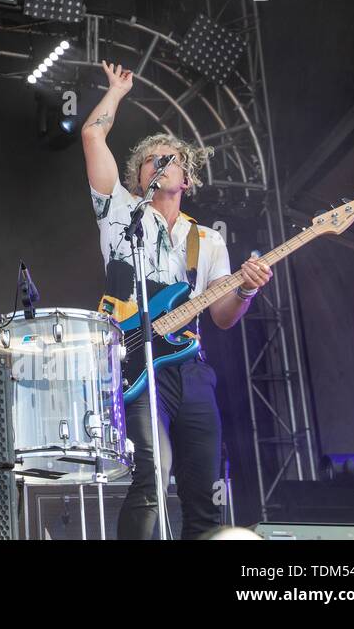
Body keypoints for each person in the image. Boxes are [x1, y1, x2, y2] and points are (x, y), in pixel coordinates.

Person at [80, 60, 271, 539]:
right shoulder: (118, 211)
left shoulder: (205, 241)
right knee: (150, 479)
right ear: (138, 176)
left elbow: (223, 317)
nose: (161, 162)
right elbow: (91, 136)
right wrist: (117, 94)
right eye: (152, 159)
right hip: (137, 363)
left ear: (187, 179)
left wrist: (245, 289)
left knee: (202, 489)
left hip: (190, 366)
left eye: (171, 159)